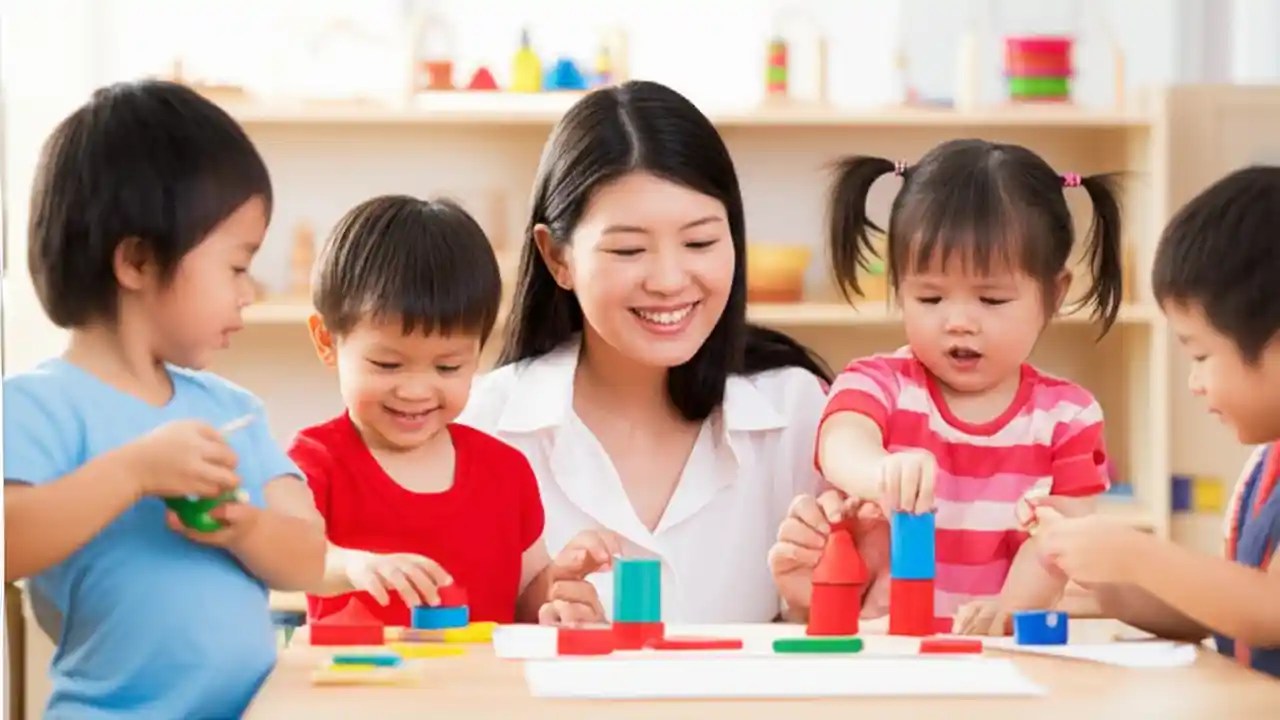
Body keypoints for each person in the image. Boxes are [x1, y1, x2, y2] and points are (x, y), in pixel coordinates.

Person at [457, 80, 851, 623]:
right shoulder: (483, 426)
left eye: (699, 243)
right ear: (557, 258)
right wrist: (530, 619)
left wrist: (816, 605)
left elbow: (858, 649)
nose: (668, 280)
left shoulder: (799, 413)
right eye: (628, 249)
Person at [3, 80, 325, 718]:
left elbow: (308, 558)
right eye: (236, 266)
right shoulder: (37, 405)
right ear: (139, 262)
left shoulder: (231, 410)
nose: (248, 292)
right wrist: (134, 472)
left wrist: (248, 526)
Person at [787, 139, 1123, 633]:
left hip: (1001, 649)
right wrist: (882, 470)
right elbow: (841, 441)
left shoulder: (1069, 418)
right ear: (899, 287)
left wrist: (1006, 612)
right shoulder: (879, 383)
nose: (959, 322)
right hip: (889, 648)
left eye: (991, 299)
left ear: (1054, 293)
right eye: (930, 297)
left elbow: (1059, 537)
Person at [289, 195, 608, 627]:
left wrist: (558, 589)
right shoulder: (316, 461)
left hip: (484, 694)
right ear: (327, 341)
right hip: (364, 692)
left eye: (448, 366)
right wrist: (353, 567)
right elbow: (290, 556)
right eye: (387, 364)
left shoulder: (505, 473)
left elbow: (524, 600)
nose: (416, 389)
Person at [1031, 165, 1280, 677]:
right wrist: (1111, 582)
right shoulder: (1267, 464)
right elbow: (1224, 609)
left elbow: (1269, 612)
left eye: (1201, 355)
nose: (1194, 383)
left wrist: (1135, 554)